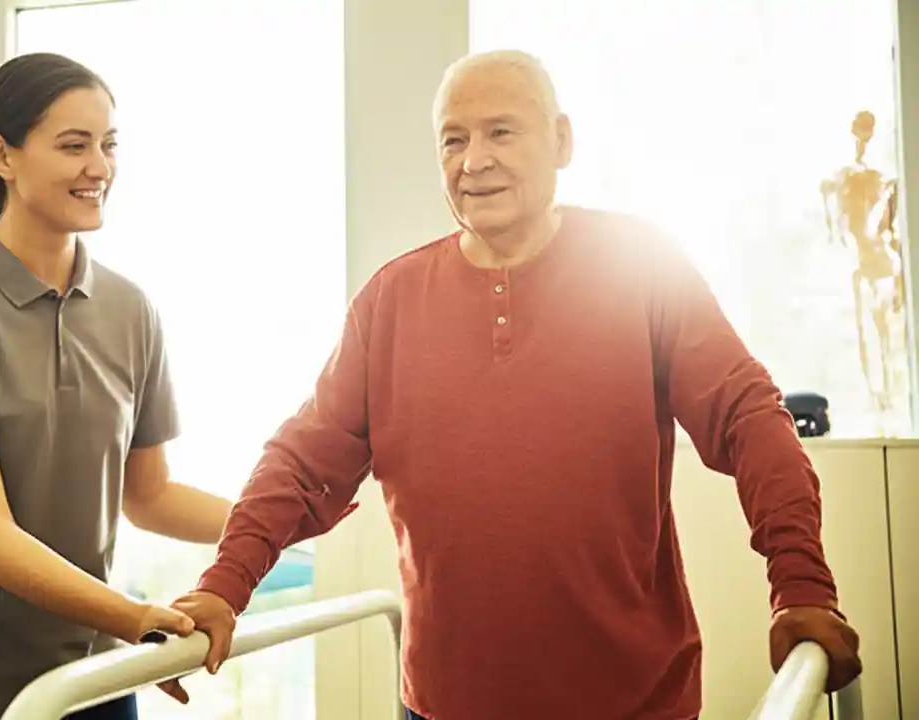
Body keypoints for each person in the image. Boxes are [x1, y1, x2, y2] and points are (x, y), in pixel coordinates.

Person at [170, 50, 864, 719]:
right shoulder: (390, 301)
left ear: (561, 140)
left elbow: (748, 416)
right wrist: (223, 586)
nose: (474, 161)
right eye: (453, 140)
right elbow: (300, 462)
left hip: (634, 705)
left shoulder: (640, 265)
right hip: (447, 707)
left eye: (501, 132)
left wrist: (801, 584)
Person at [0, 53, 234, 720]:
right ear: (1, 155)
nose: (100, 167)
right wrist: (134, 617)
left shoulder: (129, 309)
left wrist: (279, 524)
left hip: (88, 673)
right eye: (74, 146)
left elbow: (149, 496)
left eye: (108, 145)